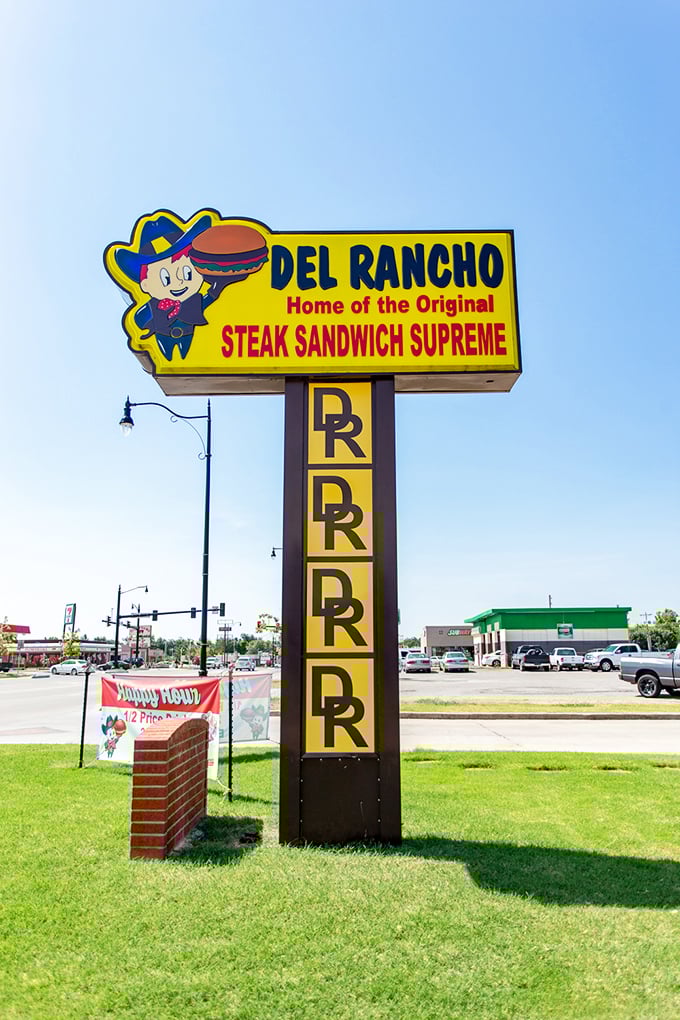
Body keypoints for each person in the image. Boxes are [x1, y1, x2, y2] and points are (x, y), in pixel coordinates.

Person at [114, 214, 243, 361]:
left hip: (188, 335)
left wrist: (216, 287)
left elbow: (207, 301)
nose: (179, 282)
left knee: (187, 358)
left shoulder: (194, 301)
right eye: (166, 279)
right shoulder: (153, 306)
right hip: (163, 337)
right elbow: (139, 319)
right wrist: (147, 326)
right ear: (145, 284)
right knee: (169, 360)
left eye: (187, 273)